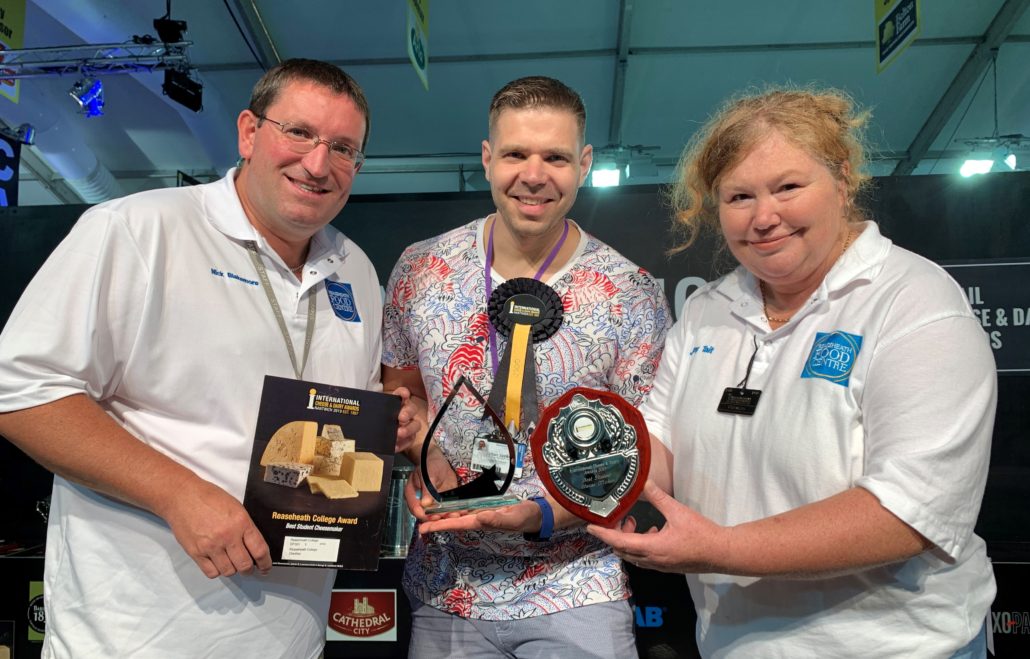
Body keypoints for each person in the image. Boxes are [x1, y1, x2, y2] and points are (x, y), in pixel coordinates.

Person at [0, 58, 419, 658]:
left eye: (344, 148)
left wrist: (382, 423)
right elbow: (18, 390)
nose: (319, 164)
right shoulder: (139, 230)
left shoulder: (353, 269)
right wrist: (178, 493)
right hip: (136, 637)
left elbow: (322, 429)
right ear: (249, 132)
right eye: (298, 132)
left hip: (291, 638)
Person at [588, 88, 997, 658]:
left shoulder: (914, 303)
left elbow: (908, 514)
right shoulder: (707, 310)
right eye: (739, 196)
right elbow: (657, 446)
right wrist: (581, 474)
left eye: (787, 187)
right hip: (734, 645)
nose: (763, 217)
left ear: (843, 179)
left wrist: (719, 548)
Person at [383, 76, 671, 658]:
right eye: (516, 153)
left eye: (556, 157)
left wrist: (539, 514)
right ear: (488, 159)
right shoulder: (420, 269)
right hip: (447, 587)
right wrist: (417, 443)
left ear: (584, 164)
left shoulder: (628, 291)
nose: (534, 174)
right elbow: (403, 395)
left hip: (578, 586)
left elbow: (652, 454)